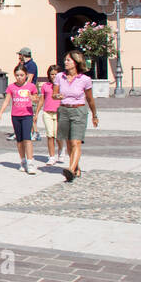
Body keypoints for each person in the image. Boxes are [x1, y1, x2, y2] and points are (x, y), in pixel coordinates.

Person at [54, 49, 99, 183]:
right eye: (65, 60)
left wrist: (94, 115)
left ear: (76, 62)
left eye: (68, 60)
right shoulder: (59, 77)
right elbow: (54, 94)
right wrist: (57, 96)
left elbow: (90, 99)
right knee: (68, 142)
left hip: (79, 111)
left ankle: (71, 169)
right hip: (64, 110)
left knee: (76, 141)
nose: (65, 62)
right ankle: (76, 167)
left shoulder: (85, 79)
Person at [0, 65, 41, 175]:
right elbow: (7, 101)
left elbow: (37, 99)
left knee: (27, 139)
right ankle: (23, 161)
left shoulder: (31, 86)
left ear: (26, 75)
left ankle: (30, 162)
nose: (19, 77)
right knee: (19, 140)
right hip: (15, 115)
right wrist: (0, 113)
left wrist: (32, 98)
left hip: (27, 115)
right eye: (17, 75)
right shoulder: (11, 87)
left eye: (22, 75)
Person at [39, 65, 64, 163]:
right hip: (47, 112)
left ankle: (61, 150)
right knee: (50, 135)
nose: (54, 76)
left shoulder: (62, 86)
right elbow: (41, 100)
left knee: (58, 135)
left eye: (56, 74)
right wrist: (36, 113)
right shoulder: (45, 86)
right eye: (52, 74)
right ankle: (52, 156)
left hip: (59, 113)